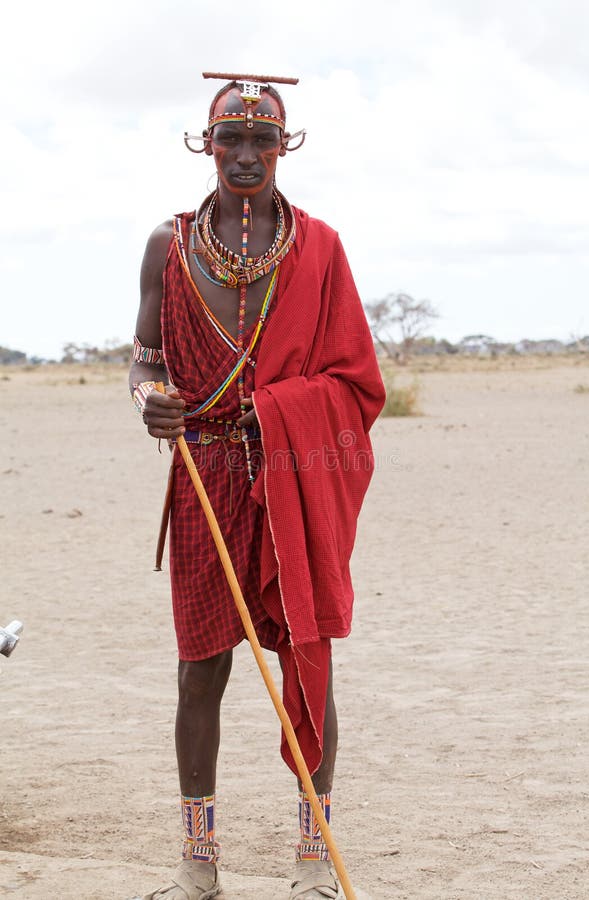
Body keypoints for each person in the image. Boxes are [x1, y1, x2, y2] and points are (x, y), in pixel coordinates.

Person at [129, 73, 385, 900]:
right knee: (198, 672)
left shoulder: (321, 247)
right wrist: (149, 399)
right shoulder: (167, 246)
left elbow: (354, 381)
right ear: (206, 145)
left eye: (260, 140)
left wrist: (279, 418)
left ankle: (313, 859)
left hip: (292, 484)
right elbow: (144, 358)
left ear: (285, 146)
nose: (245, 155)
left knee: (307, 665)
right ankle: (198, 861)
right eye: (229, 139)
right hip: (204, 482)